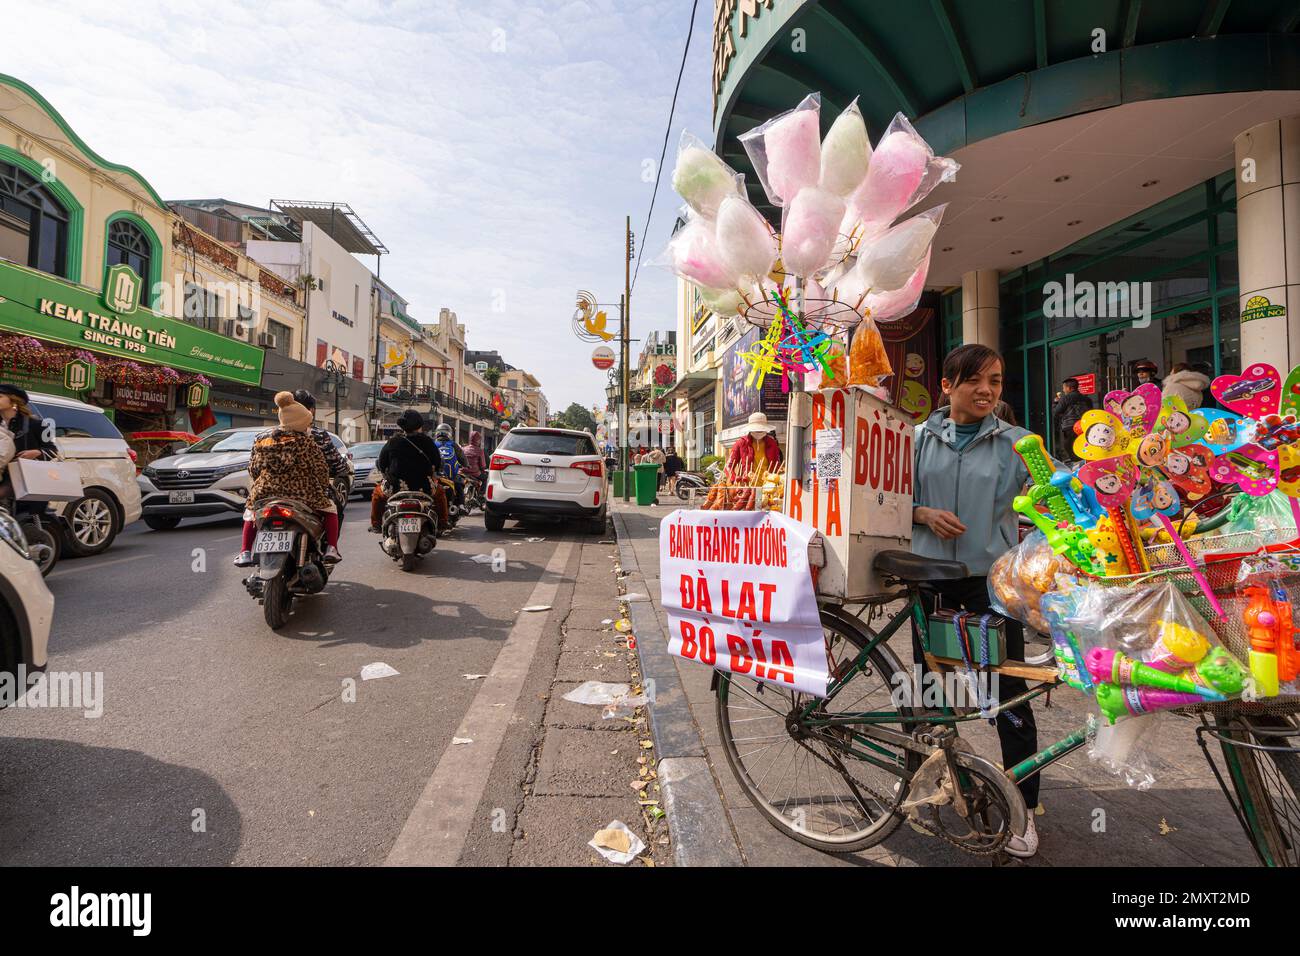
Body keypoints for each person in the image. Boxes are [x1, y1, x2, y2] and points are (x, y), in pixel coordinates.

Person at [911, 343, 1041, 858]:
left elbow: (1055, 496)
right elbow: (885, 500)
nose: (986, 390)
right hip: (926, 581)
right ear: (947, 386)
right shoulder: (915, 439)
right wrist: (922, 515)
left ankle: (1023, 811)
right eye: (974, 381)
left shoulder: (1020, 443)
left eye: (996, 381)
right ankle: (926, 781)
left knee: (1007, 697)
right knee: (924, 688)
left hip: (992, 587)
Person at [234, 392, 340, 567]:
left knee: (250, 513)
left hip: (265, 493)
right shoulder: (306, 442)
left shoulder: (263, 441)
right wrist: (322, 487)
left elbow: (253, 469)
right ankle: (332, 548)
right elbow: (321, 470)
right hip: (303, 494)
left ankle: (245, 551)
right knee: (331, 509)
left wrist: (260, 485)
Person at [372, 410, 446, 531]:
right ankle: (442, 524)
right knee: (441, 493)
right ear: (419, 426)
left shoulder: (393, 442)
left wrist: (387, 473)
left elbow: (382, 463)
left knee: (376, 494)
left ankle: (376, 524)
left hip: (395, 488)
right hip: (424, 488)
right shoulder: (427, 441)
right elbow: (437, 463)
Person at [0, 383, 58, 517]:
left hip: (23, 478)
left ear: (13, 401)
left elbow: (53, 450)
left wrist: (36, 452)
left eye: (1, 396)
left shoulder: (37, 424)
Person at [1050, 378, 1092, 462]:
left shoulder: (1065, 398)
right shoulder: (1087, 399)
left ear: (1069, 388)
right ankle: (1084, 464)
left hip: (1070, 427)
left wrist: (1055, 402)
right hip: (1084, 426)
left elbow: (1056, 412)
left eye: (1064, 388)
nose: (1063, 390)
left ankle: (1077, 466)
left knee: (1070, 447)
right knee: (1084, 446)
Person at [433, 423, 467, 509]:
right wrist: (466, 465)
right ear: (449, 434)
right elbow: (463, 459)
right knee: (460, 485)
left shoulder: (433, 444)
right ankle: (461, 505)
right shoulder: (453, 445)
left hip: (436, 476)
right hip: (452, 476)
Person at [462, 430, 487, 501]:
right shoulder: (480, 451)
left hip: (463, 472)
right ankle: (481, 495)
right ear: (478, 440)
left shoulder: (464, 449)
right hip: (475, 473)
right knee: (485, 478)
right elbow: (483, 466)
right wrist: (483, 469)